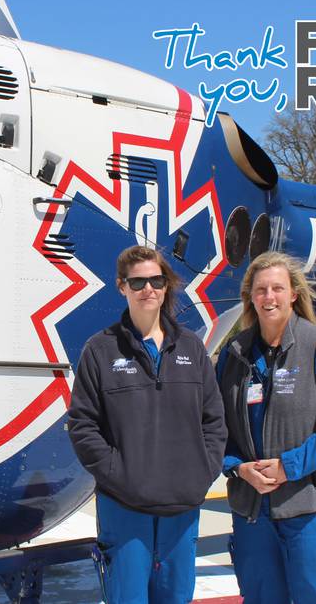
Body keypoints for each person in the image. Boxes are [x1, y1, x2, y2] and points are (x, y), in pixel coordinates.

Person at [68, 245, 226, 604]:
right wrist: (119, 475)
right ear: (121, 286)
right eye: (137, 282)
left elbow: (214, 420)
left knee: (176, 598)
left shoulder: (192, 348)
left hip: (181, 506)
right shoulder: (100, 350)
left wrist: (203, 472)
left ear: (166, 285)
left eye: (156, 280)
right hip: (125, 507)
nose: (148, 289)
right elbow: (82, 425)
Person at [217, 251, 316, 604]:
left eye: (277, 289)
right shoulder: (234, 354)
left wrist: (290, 466)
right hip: (252, 510)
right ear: (250, 297)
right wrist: (237, 468)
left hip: (307, 505)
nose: (269, 297)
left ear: (294, 294)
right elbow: (214, 425)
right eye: (261, 290)